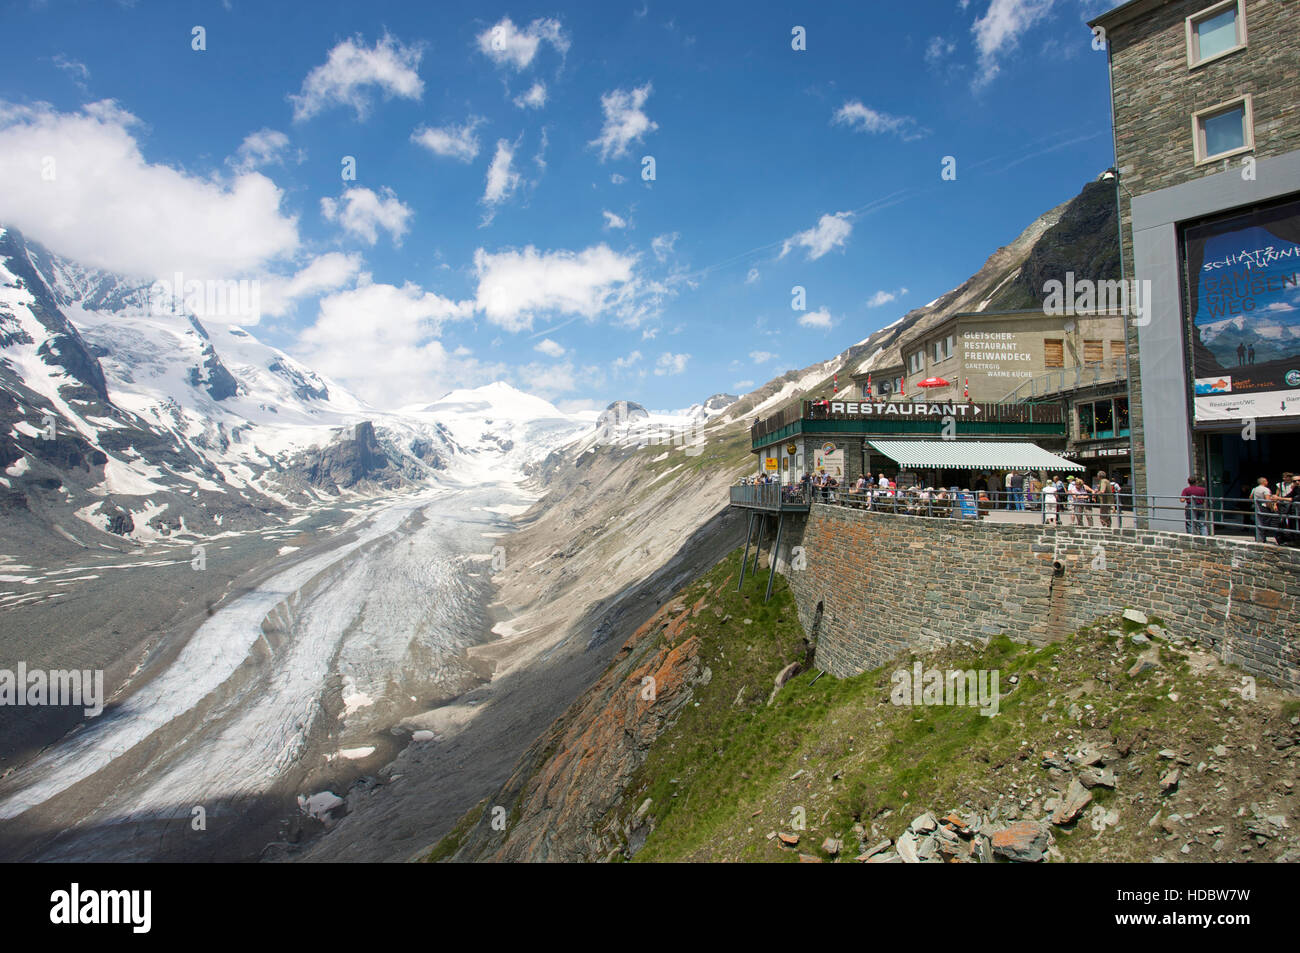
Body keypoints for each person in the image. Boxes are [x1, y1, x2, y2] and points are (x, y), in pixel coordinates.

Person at [1251, 477, 1278, 543]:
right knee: (1266, 523)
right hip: (1264, 507)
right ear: (1263, 482)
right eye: (1266, 481)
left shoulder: (1255, 489)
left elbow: (1251, 497)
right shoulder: (1266, 489)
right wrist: (1272, 508)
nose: (1267, 482)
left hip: (1257, 507)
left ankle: (1258, 537)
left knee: (1258, 521)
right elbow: (1267, 500)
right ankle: (1263, 538)